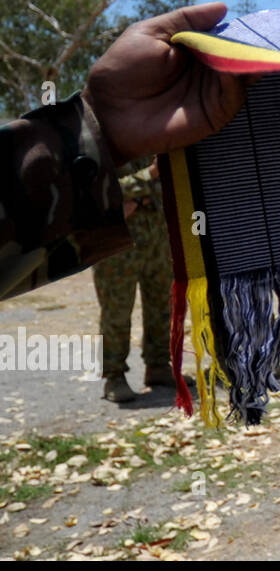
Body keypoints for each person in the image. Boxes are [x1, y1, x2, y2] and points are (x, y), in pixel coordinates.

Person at [0, 3, 247, 303]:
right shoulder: (121, 140)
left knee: (161, 326)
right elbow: (109, 187)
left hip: (159, 242)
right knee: (115, 331)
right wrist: (144, 175)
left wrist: (103, 123)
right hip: (118, 249)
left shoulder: (163, 129)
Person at [93, 158, 173, 402]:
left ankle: (159, 366)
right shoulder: (100, 142)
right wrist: (148, 178)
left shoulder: (158, 139)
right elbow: (99, 192)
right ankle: (114, 376)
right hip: (117, 245)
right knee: (116, 311)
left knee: (162, 305)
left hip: (158, 238)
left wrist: (136, 195)